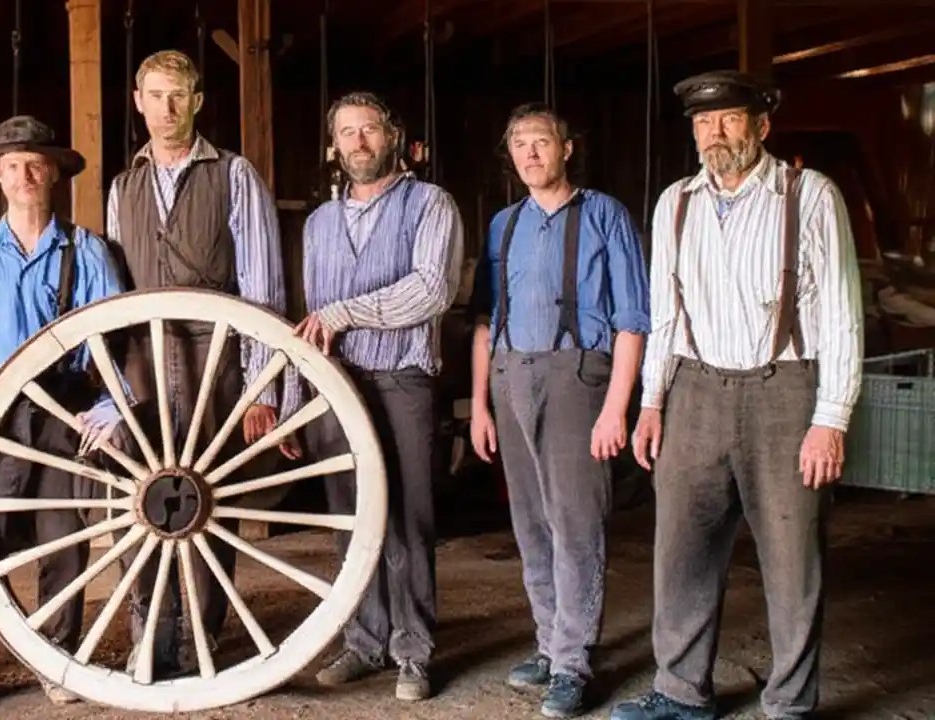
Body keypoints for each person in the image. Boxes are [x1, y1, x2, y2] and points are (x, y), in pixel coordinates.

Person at [611, 71, 863, 720]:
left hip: (785, 393)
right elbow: (664, 312)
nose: (713, 133)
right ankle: (680, 695)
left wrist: (830, 418)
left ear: (761, 126)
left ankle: (788, 705)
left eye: (727, 119)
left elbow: (840, 314)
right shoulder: (677, 202)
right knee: (682, 551)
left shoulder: (808, 196)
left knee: (791, 559)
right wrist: (651, 402)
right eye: (702, 122)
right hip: (693, 387)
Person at [0, 115, 127, 720]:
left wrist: (112, 404)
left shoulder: (88, 250)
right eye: (14, 165)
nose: (27, 173)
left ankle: (53, 656)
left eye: (38, 163)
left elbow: (116, 336)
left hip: (66, 408)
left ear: (56, 174)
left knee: (63, 534)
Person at [104, 48, 302, 675]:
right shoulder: (122, 186)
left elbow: (263, 287)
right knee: (139, 501)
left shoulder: (234, 174)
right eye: (154, 95)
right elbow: (111, 291)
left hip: (217, 356)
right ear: (138, 102)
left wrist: (264, 386)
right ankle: (152, 634)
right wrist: (109, 380)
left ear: (197, 102)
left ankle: (203, 635)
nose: (165, 108)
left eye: (177, 95)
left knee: (211, 503)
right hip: (141, 358)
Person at [467, 103, 650, 718]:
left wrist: (616, 408)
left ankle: (573, 662)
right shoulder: (503, 225)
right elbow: (485, 322)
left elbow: (632, 321)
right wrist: (480, 408)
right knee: (530, 520)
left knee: (575, 522)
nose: (530, 154)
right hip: (510, 374)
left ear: (566, 148)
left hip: (579, 376)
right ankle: (549, 644)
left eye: (541, 141)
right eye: (519, 143)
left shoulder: (605, 215)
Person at [296, 90, 464, 702]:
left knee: (409, 521)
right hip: (339, 386)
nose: (359, 142)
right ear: (334, 145)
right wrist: (296, 399)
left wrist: (346, 312)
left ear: (392, 135)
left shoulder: (431, 204)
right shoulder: (318, 224)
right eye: (347, 132)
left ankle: (414, 652)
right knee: (353, 520)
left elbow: (431, 290)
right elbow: (312, 322)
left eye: (369, 129)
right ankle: (365, 643)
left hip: (402, 380)